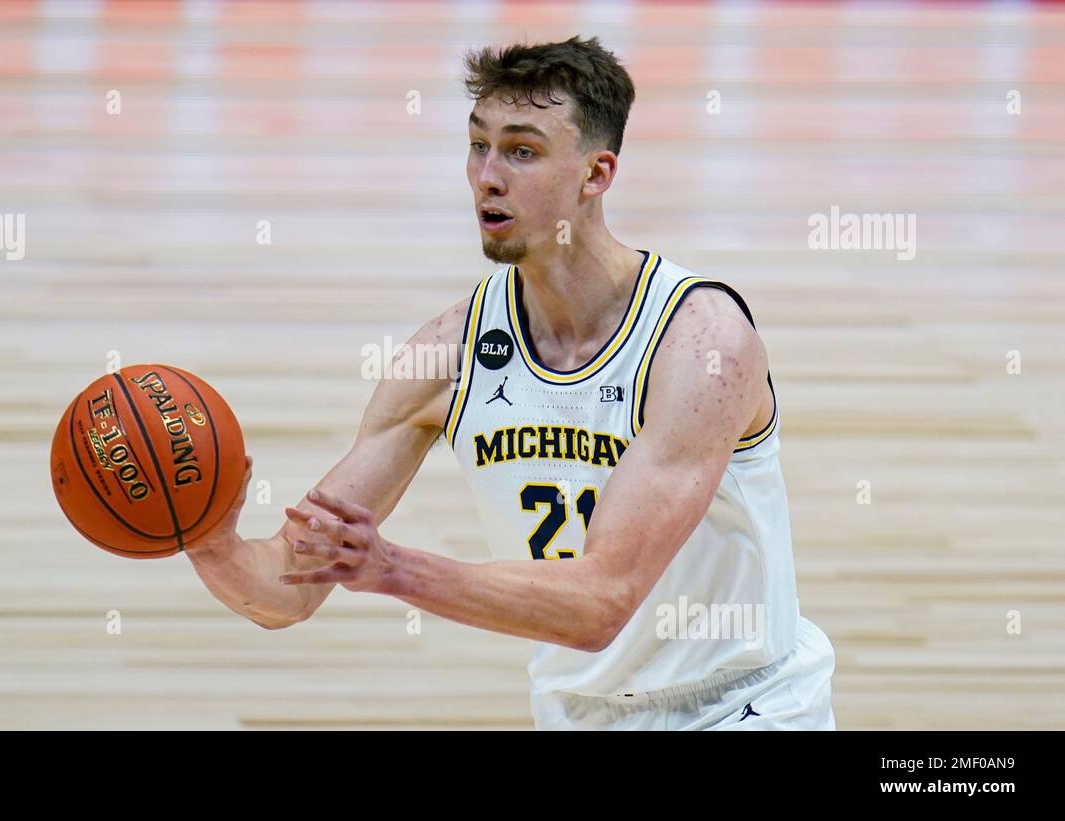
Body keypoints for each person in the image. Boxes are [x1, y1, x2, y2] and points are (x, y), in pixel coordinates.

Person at [185, 36, 835, 730]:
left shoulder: (702, 339)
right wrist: (208, 538)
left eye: (521, 151)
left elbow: (601, 601)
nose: (488, 176)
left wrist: (393, 568)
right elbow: (287, 589)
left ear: (596, 174)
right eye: (478, 146)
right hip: (577, 713)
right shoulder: (447, 353)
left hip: (743, 706)